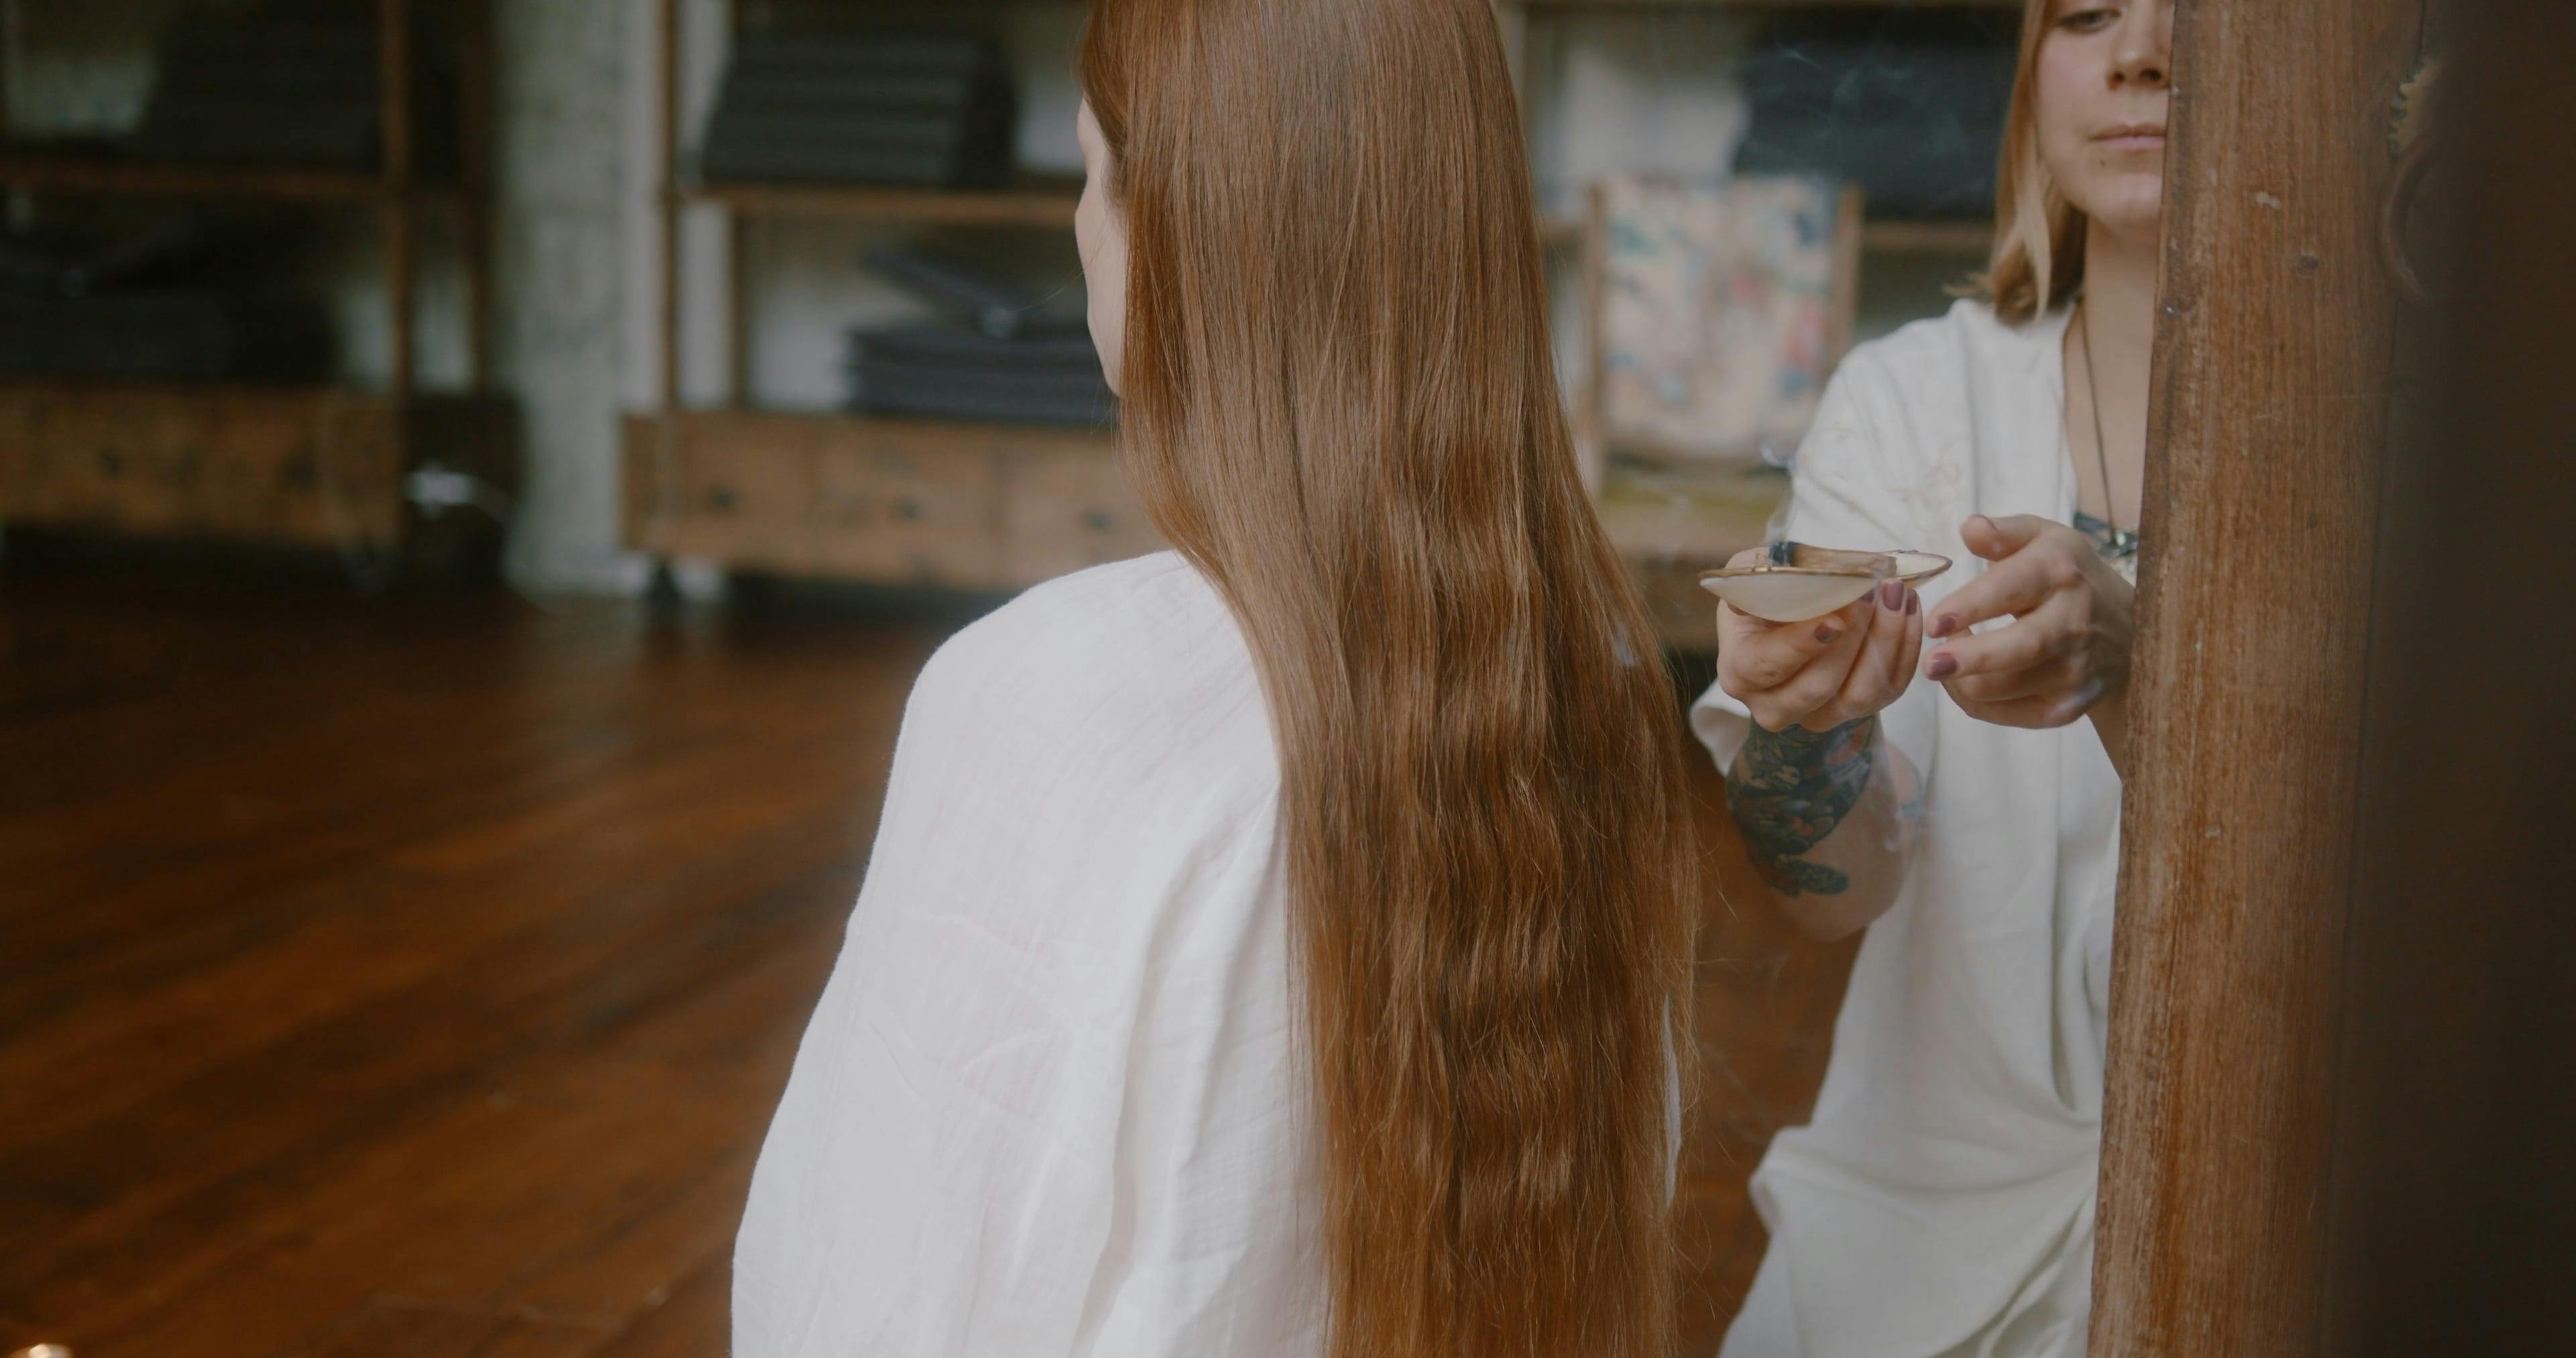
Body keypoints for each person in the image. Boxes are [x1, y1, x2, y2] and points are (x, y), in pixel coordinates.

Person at [731, 2, 1699, 1355]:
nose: (1081, 227)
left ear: (1182, 231)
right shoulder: (1586, 672)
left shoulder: (1044, 694)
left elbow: (863, 1296)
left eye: (1092, 172)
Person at [1701, 1, 2171, 1353]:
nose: (2141, 51)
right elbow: (1840, 888)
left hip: (2272, 1220)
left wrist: (2142, 675)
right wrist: (1805, 730)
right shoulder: (1910, 403)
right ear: (2031, 80)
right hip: (1905, 1236)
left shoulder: (2425, 433)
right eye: (2088, 12)